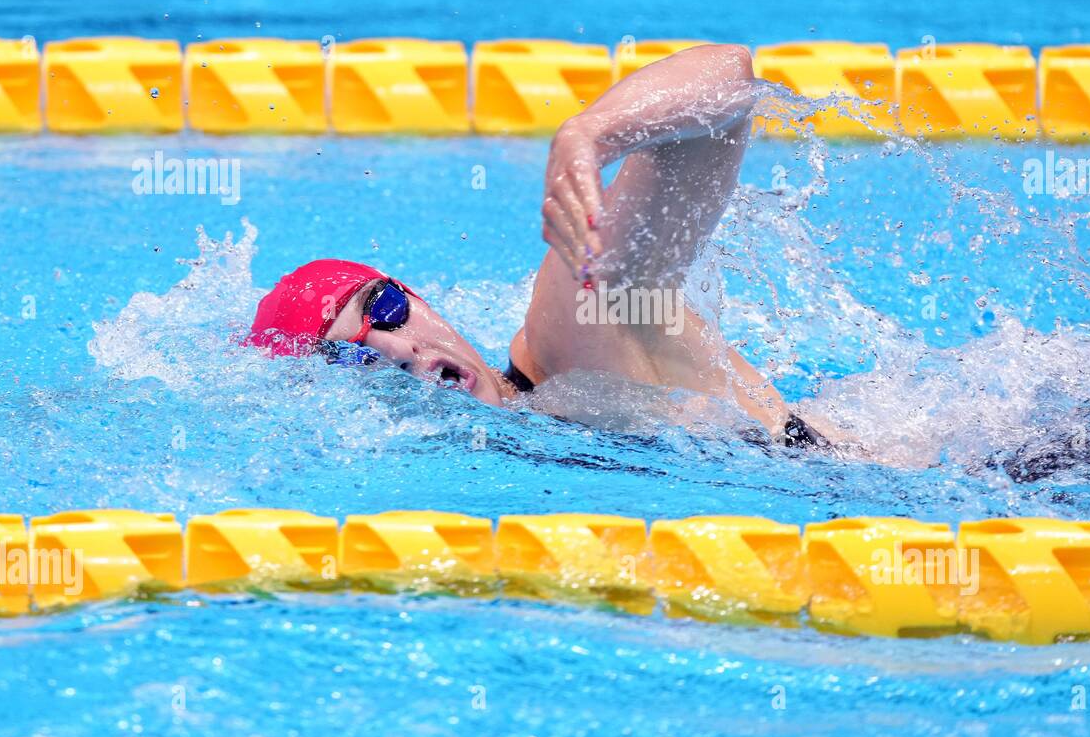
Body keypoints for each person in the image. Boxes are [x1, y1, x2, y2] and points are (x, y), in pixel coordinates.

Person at [248, 44, 842, 450]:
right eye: (351, 357)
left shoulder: (569, 342)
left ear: (419, 299)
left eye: (385, 310)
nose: (397, 349)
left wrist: (592, 132)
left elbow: (729, 73)